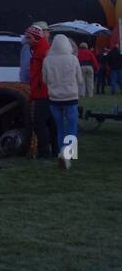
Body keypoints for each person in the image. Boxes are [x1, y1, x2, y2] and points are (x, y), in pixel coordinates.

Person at [43, 33, 85, 169]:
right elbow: (79, 79)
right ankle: (68, 154)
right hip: (71, 97)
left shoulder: (47, 60)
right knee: (72, 127)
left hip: (54, 98)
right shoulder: (73, 59)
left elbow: (45, 80)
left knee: (60, 127)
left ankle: (62, 152)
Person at [25, 24, 54, 159]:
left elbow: (39, 76)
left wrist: (35, 92)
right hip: (62, 95)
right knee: (59, 124)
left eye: (29, 37)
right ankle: (65, 154)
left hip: (44, 93)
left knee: (40, 122)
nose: (26, 40)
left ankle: (45, 152)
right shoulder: (42, 50)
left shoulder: (41, 52)